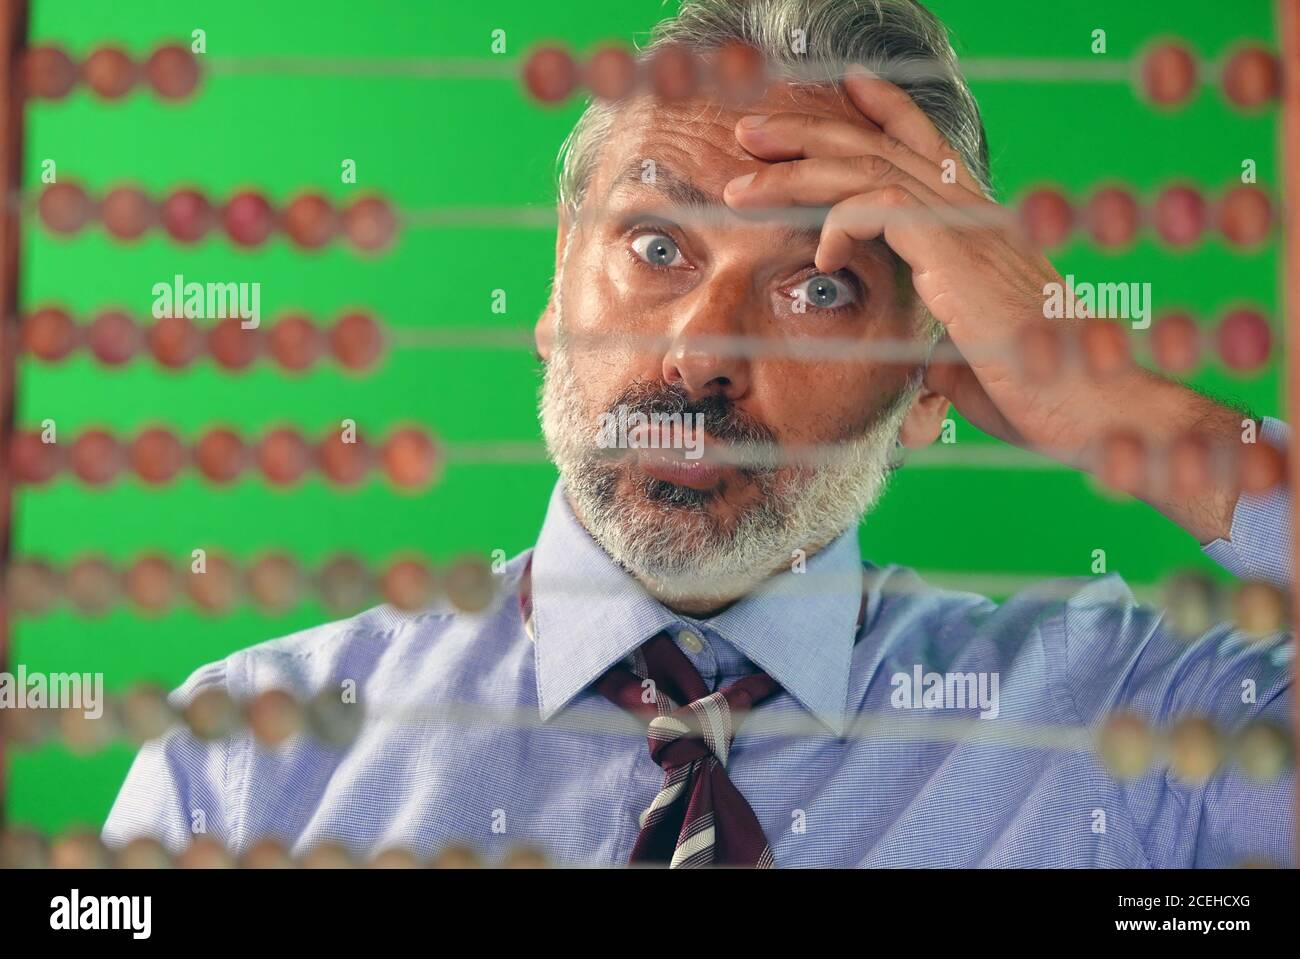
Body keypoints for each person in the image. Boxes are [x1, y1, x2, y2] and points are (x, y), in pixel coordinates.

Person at [103, 0, 1293, 867]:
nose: (701, 351)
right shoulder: (245, 765)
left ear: (935, 381)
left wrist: (1140, 414)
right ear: (555, 293)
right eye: (656, 248)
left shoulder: (1127, 730)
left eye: (820, 285)